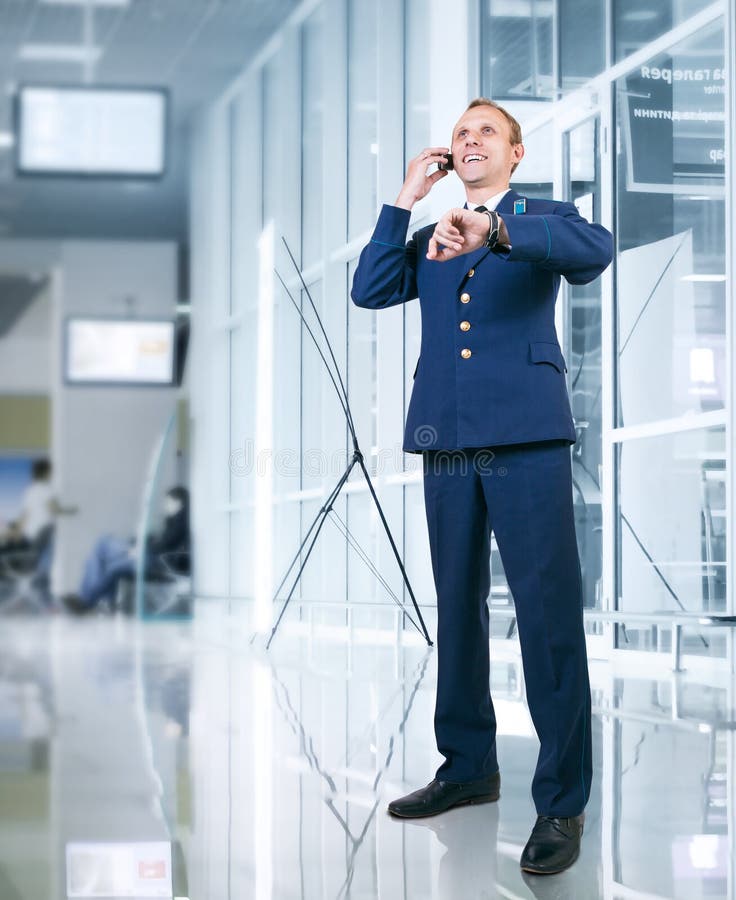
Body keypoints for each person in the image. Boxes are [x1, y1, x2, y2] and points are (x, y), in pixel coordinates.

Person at [351, 98, 613, 876]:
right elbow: (370, 288)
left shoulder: (543, 215)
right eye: (460, 133)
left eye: (485, 132)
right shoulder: (431, 232)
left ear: (515, 154)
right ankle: (468, 765)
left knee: (547, 616)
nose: (469, 140)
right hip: (448, 436)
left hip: (526, 436)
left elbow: (591, 249)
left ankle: (561, 801)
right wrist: (403, 200)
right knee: (456, 605)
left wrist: (497, 230)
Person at [63, 486, 190, 613]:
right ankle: (95, 601)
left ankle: (87, 601)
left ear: (178, 502)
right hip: (149, 556)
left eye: (167, 502)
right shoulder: (175, 520)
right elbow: (163, 541)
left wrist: (141, 550)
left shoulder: (182, 520)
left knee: (105, 550)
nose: (165, 506)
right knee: (100, 558)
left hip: (152, 561)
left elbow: (166, 544)